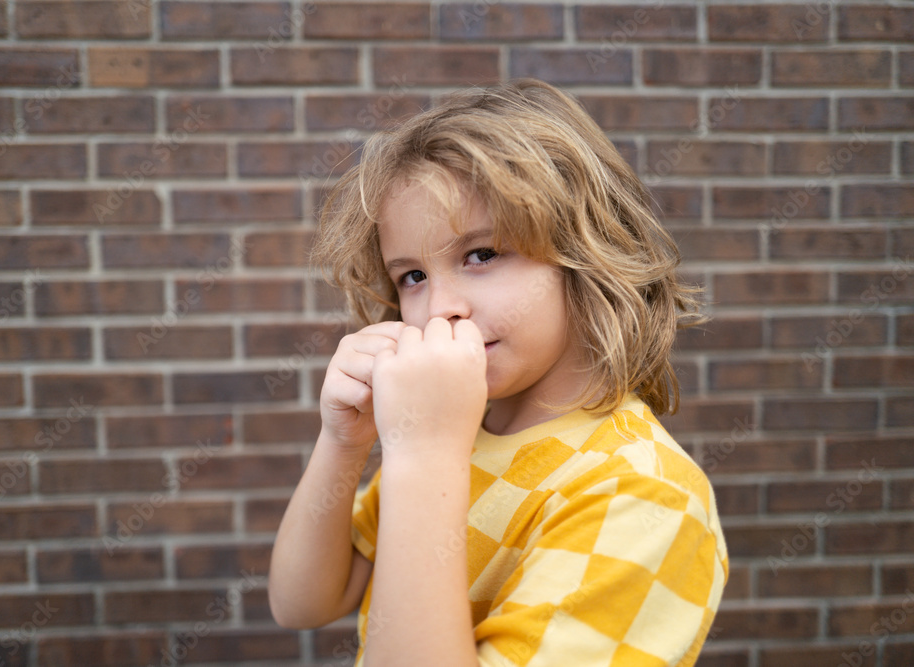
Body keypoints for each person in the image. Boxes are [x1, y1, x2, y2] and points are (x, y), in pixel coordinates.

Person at [268, 78, 728, 666]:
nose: (440, 308)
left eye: (481, 255)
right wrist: (343, 444)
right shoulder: (455, 436)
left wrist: (425, 454)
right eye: (413, 276)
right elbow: (303, 603)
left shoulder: (644, 494)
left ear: (586, 253)